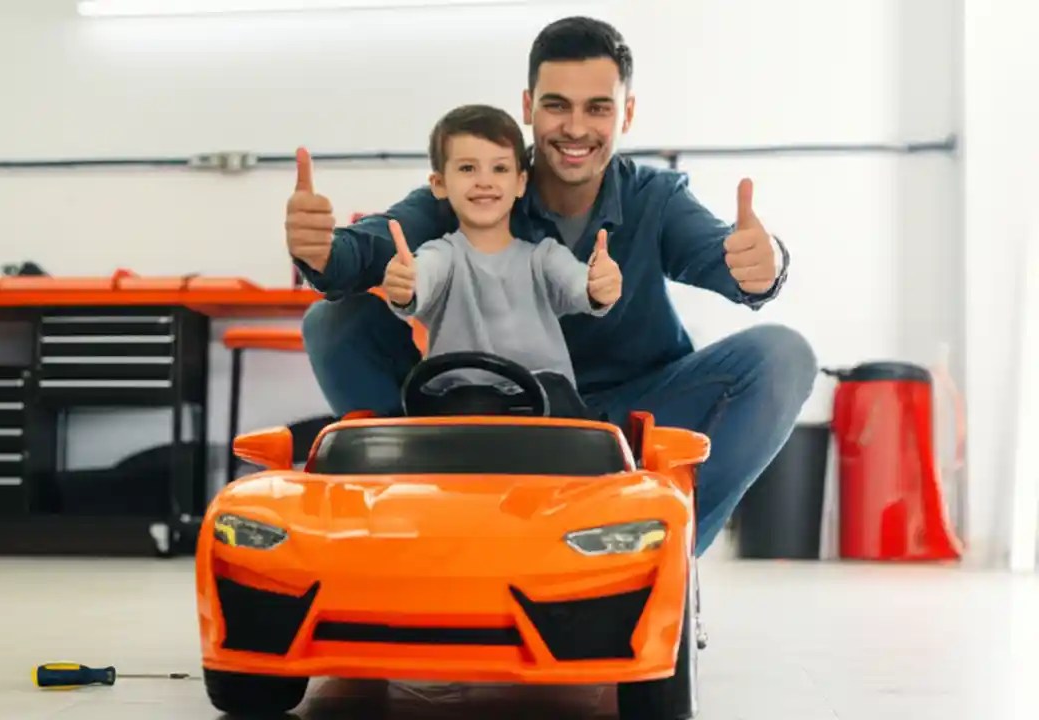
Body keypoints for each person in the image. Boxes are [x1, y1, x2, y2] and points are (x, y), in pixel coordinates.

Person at [283, 15, 817, 556]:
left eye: (598, 108)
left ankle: (659, 560)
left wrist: (765, 262)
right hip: (487, 417)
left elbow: (724, 259)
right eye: (557, 105)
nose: (576, 128)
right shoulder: (481, 186)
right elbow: (376, 245)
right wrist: (325, 251)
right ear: (528, 106)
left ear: (626, 113)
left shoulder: (655, 199)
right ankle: (412, 524)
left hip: (630, 416)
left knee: (783, 355)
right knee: (332, 322)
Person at [381, 103, 619, 419]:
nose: (484, 182)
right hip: (460, 411)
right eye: (468, 168)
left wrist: (597, 285)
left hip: (545, 417)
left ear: (521, 182)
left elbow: (578, 284)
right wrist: (405, 285)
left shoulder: (543, 257)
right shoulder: (442, 256)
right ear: (439, 184)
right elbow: (421, 276)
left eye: (500, 169)